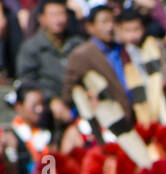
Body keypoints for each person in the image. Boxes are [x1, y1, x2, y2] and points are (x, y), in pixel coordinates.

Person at [62, 2, 131, 116]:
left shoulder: (122, 49)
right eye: (104, 22)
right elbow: (69, 93)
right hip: (106, 119)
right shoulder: (81, 55)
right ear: (90, 27)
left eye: (112, 21)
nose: (109, 27)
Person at [16, 0, 72, 128]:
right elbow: (27, 80)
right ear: (42, 19)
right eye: (53, 15)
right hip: (45, 106)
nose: (58, 20)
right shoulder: (31, 47)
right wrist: (50, 99)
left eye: (61, 14)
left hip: (75, 103)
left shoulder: (76, 44)